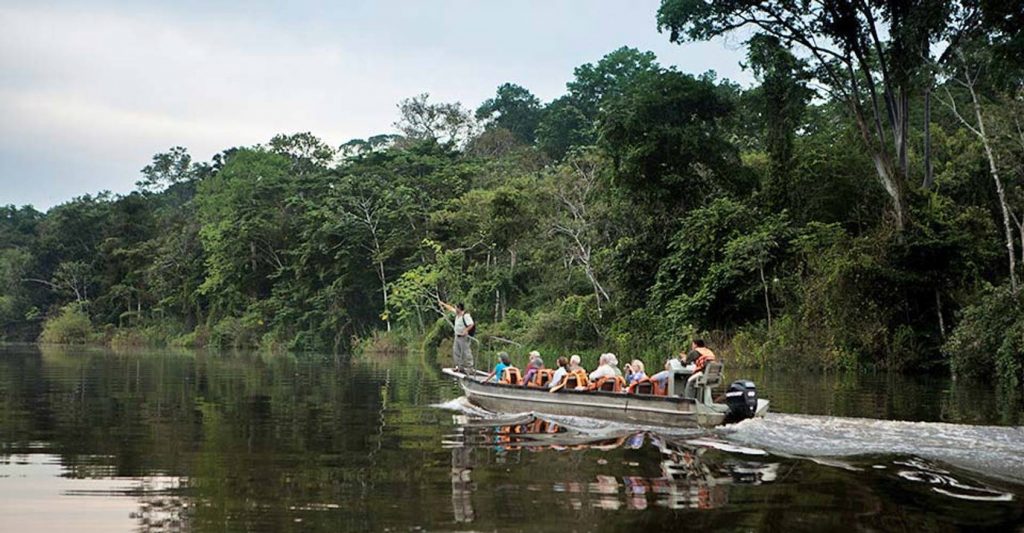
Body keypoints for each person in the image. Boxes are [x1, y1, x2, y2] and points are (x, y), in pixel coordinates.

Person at [439, 299, 475, 373]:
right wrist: (443, 304)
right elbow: (450, 308)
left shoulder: (466, 315)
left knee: (466, 352)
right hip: (457, 336)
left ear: (459, 308)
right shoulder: (457, 314)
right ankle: (459, 367)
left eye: (456, 307)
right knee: (456, 351)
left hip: (464, 337)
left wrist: (465, 331)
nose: (455, 308)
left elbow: (471, 324)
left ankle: (470, 368)